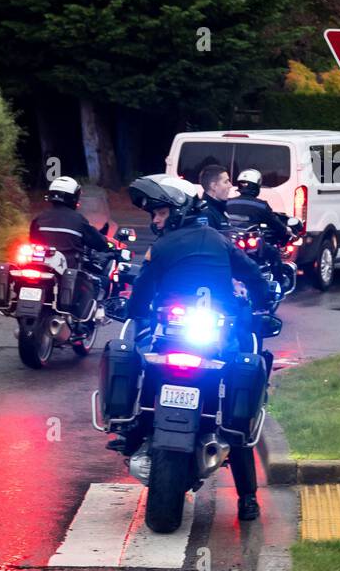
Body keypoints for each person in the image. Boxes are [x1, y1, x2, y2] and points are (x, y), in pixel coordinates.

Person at [123, 176, 273, 520]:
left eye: (160, 214)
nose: (155, 221)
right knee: (236, 415)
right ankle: (247, 498)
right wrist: (263, 306)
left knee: (235, 400)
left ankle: (132, 429)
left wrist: (132, 311)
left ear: (177, 213)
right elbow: (254, 277)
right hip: (212, 339)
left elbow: (141, 295)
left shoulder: (160, 248)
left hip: (177, 339)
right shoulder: (220, 242)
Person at [28, 176, 114, 309]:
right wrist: (107, 244)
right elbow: (99, 243)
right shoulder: (78, 220)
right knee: (100, 282)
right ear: (74, 198)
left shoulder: (40, 218)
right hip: (68, 271)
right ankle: (84, 319)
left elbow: (32, 241)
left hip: (38, 269)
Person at [226, 168, 291, 238]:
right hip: (252, 242)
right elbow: (274, 223)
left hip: (230, 240)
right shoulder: (262, 205)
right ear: (256, 187)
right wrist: (286, 230)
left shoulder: (228, 202)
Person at [198, 164, 234, 230]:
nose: (230, 185)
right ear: (214, 186)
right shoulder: (206, 214)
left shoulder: (218, 208)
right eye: (226, 182)